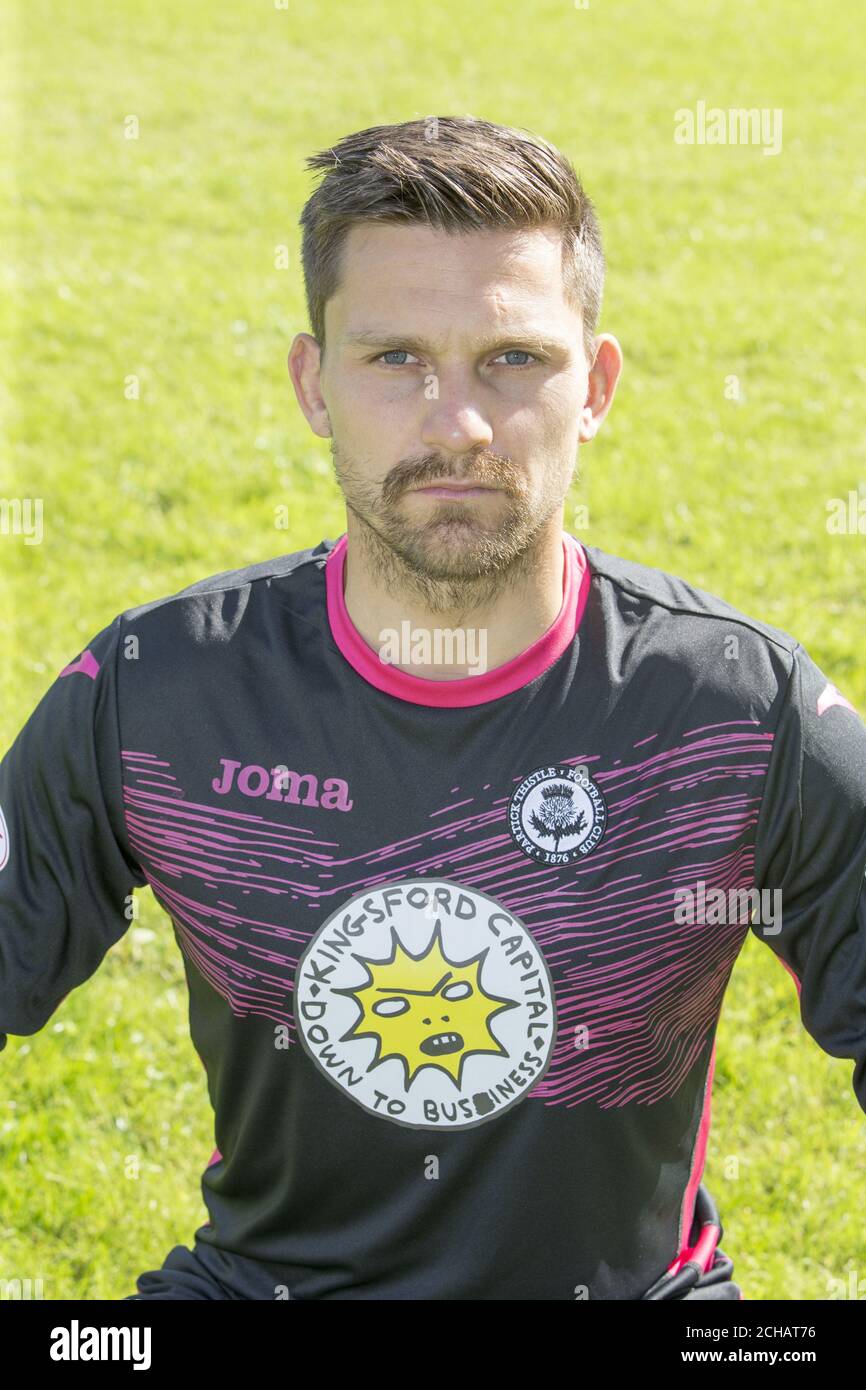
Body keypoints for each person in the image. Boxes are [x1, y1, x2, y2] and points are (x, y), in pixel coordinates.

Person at [2, 116, 865, 1301]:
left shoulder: (734, 707)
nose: (455, 422)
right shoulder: (162, 689)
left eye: (511, 359)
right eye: (393, 357)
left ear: (596, 385)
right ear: (313, 384)